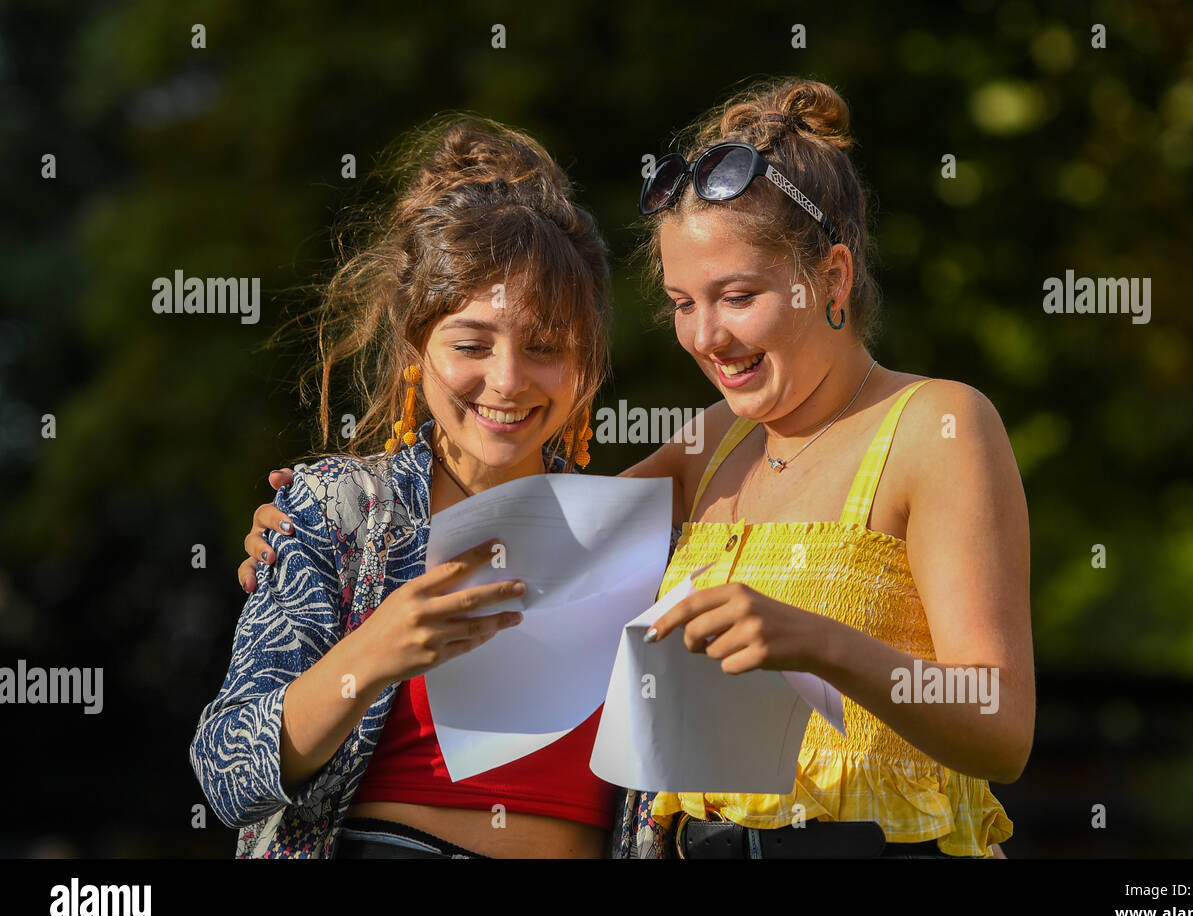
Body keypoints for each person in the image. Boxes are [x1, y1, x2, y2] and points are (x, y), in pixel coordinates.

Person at [237, 77, 1032, 859]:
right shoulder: (712, 446)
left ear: (830, 277)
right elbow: (513, 520)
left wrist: (817, 642)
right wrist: (313, 528)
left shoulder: (937, 426)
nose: (706, 337)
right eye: (684, 304)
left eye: (737, 295)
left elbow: (1000, 728)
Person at [190, 114, 625, 858]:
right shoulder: (338, 512)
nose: (508, 380)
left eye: (546, 346)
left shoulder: (639, 538)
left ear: (586, 362)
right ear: (415, 346)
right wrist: (375, 652)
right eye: (471, 344)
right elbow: (227, 773)